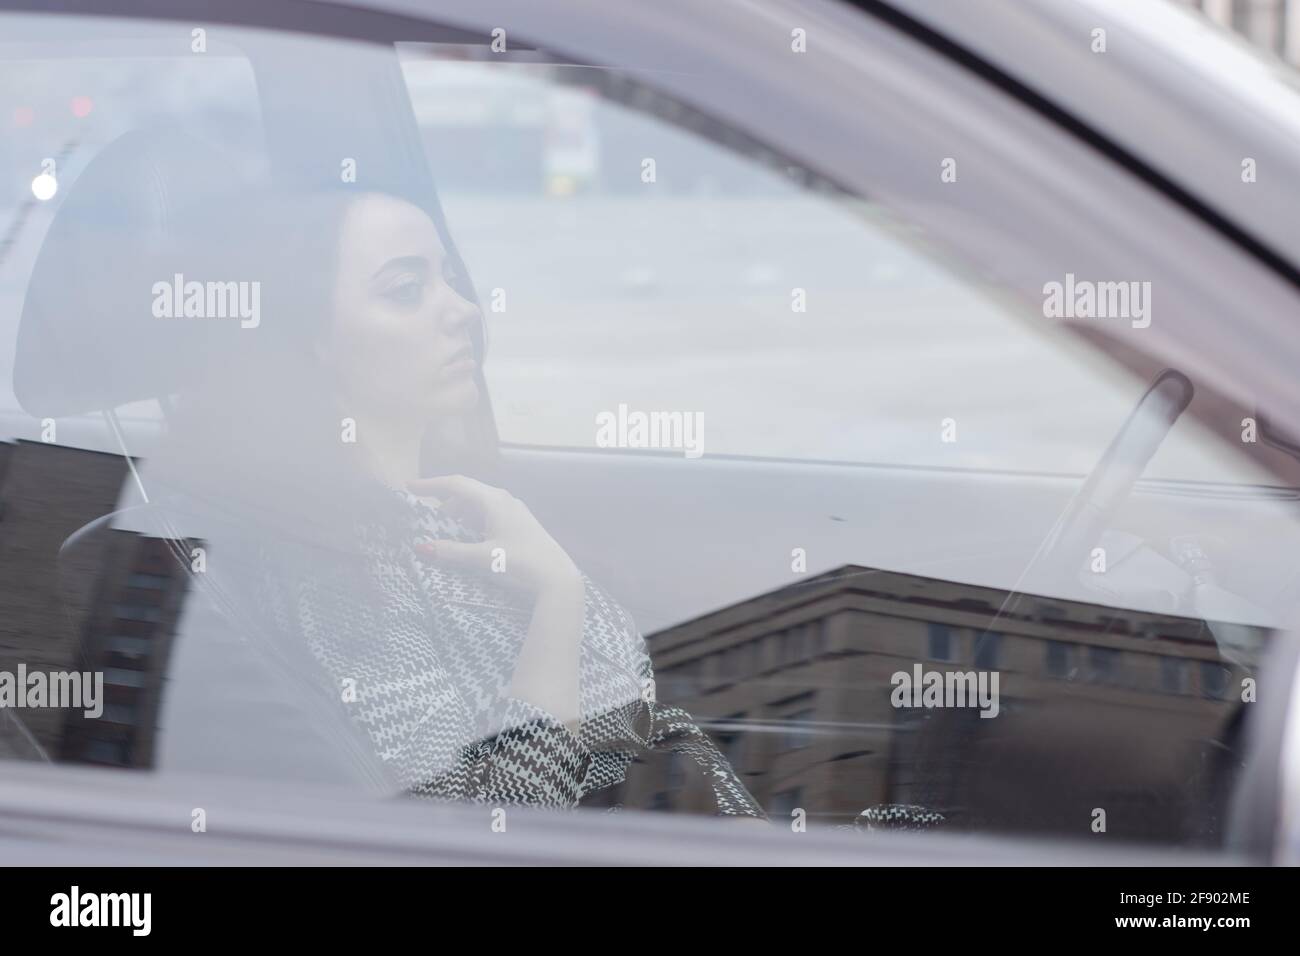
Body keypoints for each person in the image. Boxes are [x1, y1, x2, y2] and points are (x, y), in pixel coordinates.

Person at [152, 187, 765, 818]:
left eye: (448, 278)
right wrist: (557, 598)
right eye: (405, 290)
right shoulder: (333, 580)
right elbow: (491, 829)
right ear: (313, 342)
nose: (465, 310)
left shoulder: (458, 516)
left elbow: (628, 728)